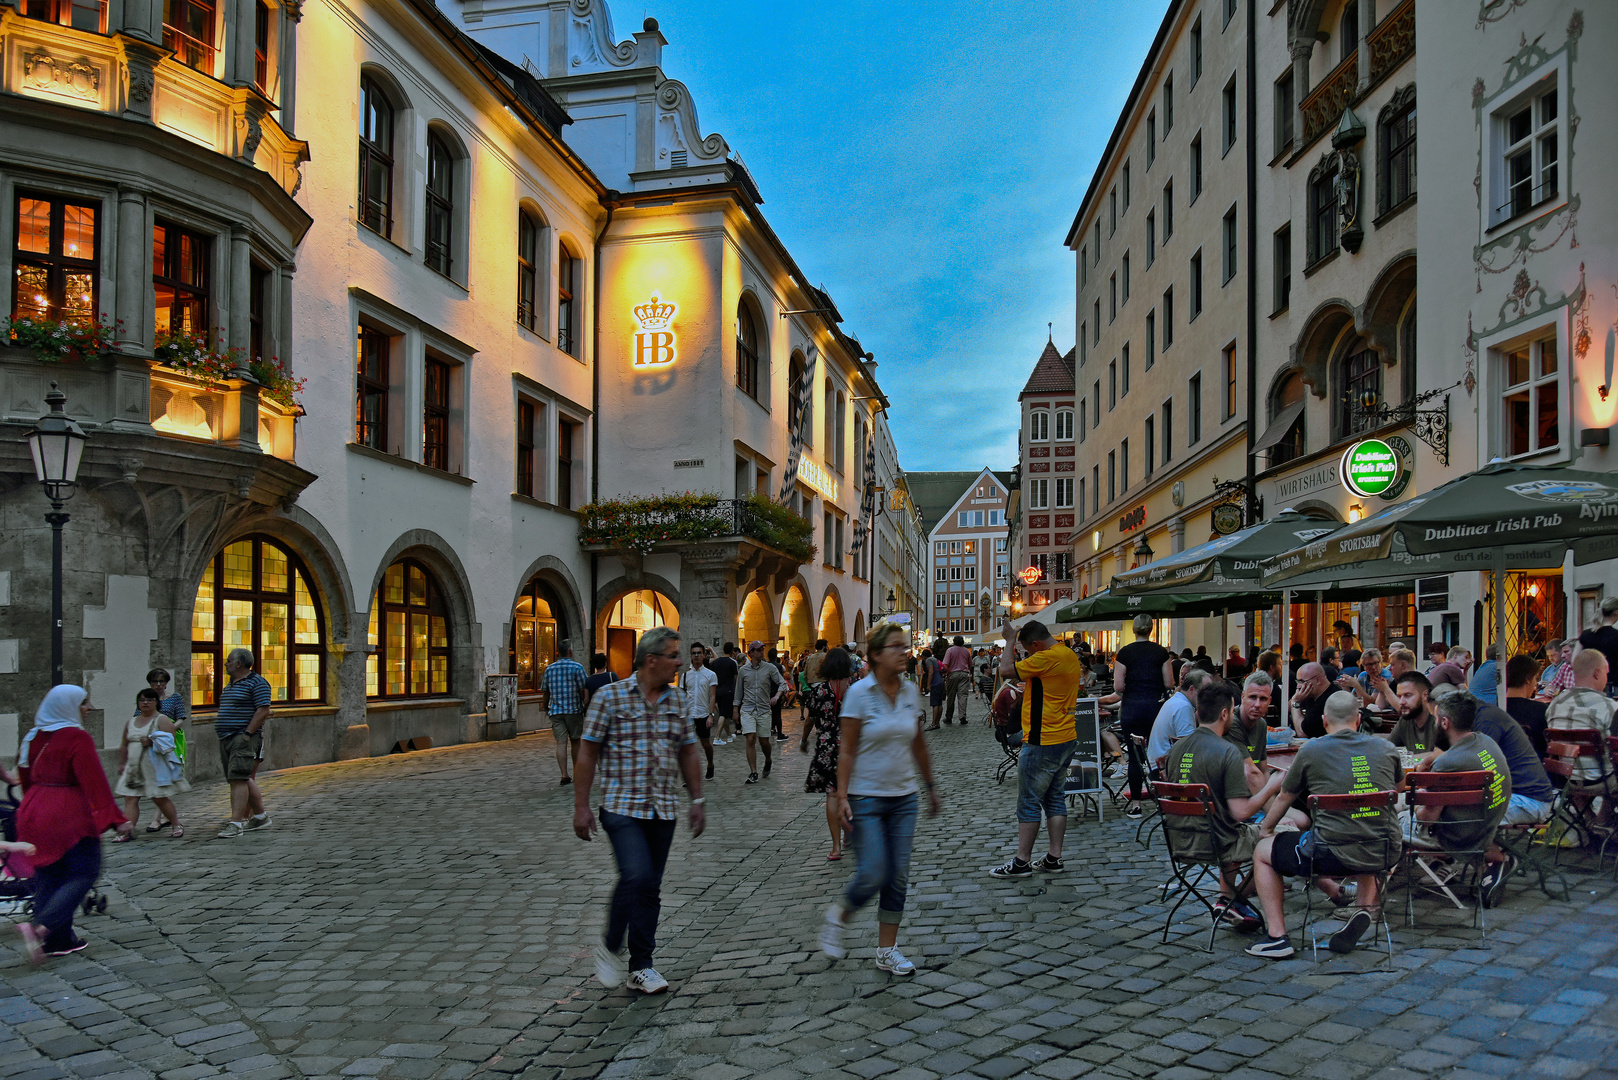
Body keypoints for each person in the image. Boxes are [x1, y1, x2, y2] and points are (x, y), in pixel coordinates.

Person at [574, 627, 704, 995]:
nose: (680, 662)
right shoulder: (610, 698)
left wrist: (697, 799)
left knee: (650, 887)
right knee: (636, 874)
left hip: (662, 807)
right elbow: (587, 752)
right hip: (621, 805)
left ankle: (641, 966)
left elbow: (688, 750)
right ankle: (612, 944)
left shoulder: (677, 700)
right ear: (651, 660)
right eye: (674, 656)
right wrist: (581, 806)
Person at [819, 622, 940, 975]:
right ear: (874, 655)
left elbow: (918, 741)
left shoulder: (908, 690)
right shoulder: (859, 694)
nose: (905, 651)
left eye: (906, 646)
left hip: (904, 798)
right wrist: (842, 797)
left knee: (897, 877)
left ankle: (887, 950)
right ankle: (838, 916)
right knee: (873, 871)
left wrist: (930, 787)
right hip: (865, 798)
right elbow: (847, 751)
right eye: (896, 647)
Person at [1248, 692, 1403, 959]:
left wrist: (1266, 830)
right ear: (1358, 720)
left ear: (1323, 720)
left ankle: (1277, 936)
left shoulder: (1311, 749)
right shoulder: (1386, 748)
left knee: (1263, 852)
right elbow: (1397, 788)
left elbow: (1286, 795)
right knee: (1366, 824)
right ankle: (1365, 907)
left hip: (1330, 855)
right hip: (1385, 851)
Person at [14, 686, 132, 962]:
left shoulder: (33, 736)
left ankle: (60, 940)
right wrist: (116, 818)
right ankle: (42, 927)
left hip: (33, 808)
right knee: (84, 871)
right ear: (68, 706)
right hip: (66, 812)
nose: (88, 708)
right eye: (83, 702)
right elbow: (94, 780)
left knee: (49, 876)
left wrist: (35, 805)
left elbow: (24, 774)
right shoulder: (77, 738)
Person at [1162, 679, 1283, 932]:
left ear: (1197, 713)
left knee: (1231, 826)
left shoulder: (1175, 750)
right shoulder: (1227, 751)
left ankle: (1228, 900)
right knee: (1281, 838)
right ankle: (1233, 899)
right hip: (1217, 843)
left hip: (1180, 839)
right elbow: (1241, 812)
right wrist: (1272, 786)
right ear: (1226, 713)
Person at [989, 619, 1087, 877]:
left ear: (1035, 644)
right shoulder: (1067, 654)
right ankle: (1054, 857)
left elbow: (1006, 670)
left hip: (1042, 738)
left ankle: (1022, 861)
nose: (1029, 656)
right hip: (1066, 735)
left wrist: (1009, 640)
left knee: (1029, 802)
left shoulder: (1045, 658)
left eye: (1028, 650)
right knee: (1055, 798)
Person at [1417, 694, 1511, 903]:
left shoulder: (1448, 764)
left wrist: (1415, 804)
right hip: (1490, 820)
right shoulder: (1486, 742)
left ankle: (1371, 895)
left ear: (1444, 722)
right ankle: (1487, 864)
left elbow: (1426, 819)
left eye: (1435, 719)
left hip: (1460, 834)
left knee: (1392, 817)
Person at [1113, 614, 1174, 811]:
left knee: (1134, 754)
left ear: (1134, 629)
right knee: (1159, 753)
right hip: (1155, 707)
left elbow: (1119, 686)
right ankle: (1164, 799)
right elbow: (1169, 683)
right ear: (1151, 630)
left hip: (1132, 707)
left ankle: (1137, 803)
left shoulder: (1124, 653)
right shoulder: (1160, 652)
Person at [801, 647, 856, 860]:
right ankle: (848, 837)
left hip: (827, 745)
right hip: (851, 744)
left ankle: (836, 847)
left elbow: (810, 719)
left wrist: (804, 740)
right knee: (850, 791)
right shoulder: (854, 688)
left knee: (832, 794)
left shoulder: (819, 690)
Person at [112, 688, 189, 839]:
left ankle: (175, 824)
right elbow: (124, 744)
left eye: (149, 700)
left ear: (156, 702)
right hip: (133, 767)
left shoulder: (162, 720)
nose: (145, 703)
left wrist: (152, 742)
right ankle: (127, 830)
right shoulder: (131, 721)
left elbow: (170, 742)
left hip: (153, 765)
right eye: (142, 700)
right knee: (130, 797)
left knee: (158, 797)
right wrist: (123, 763)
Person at [215, 648, 271, 839]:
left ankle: (236, 823)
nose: (226, 663)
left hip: (242, 737)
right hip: (227, 737)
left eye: (229, 660)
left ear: (239, 664)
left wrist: (247, 734)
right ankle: (261, 816)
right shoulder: (231, 684)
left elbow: (263, 710)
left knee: (239, 778)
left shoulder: (257, 682)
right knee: (241, 777)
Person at [1546, 649, 1616, 783]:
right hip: (1602, 780)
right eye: (1606, 674)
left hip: (1565, 779)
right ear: (1597, 674)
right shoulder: (1609, 707)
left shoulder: (1555, 704)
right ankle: (1604, 804)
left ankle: (1582, 804)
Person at [144, 668, 187, 832]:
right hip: (152, 743)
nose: (159, 684)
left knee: (165, 777)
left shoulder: (174, 698)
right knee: (157, 778)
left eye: (162, 681)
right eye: (155, 681)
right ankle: (165, 817)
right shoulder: (146, 698)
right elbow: (138, 718)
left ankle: (157, 819)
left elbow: (181, 717)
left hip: (171, 741)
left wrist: (168, 731)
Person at [737, 640, 786, 784]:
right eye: (757, 650)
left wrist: (776, 696)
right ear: (750, 653)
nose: (760, 652)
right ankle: (753, 772)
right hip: (747, 709)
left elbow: (782, 683)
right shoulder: (743, 671)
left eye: (762, 650)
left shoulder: (770, 668)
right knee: (750, 738)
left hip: (764, 710)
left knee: (764, 742)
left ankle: (768, 759)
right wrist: (735, 710)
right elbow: (738, 692)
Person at [1146, 668, 1214, 767]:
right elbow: (1189, 748)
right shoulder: (1183, 707)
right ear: (1192, 689)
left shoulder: (1175, 701)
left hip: (1157, 765)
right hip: (1164, 768)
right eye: (1205, 691)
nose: (1208, 696)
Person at [542, 641, 588, 786]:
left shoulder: (549, 669)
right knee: (576, 741)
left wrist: (545, 707)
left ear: (558, 653)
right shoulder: (577, 667)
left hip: (556, 711)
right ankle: (577, 772)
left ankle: (564, 775)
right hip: (573, 710)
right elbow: (583, 689)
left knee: (560, 743)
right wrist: (584, 704)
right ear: (570, 652)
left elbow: (545, 691)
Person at [680, 642, 718, 781]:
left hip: (703, 714)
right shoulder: (685, 676)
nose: (696, 656)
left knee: (705, 743)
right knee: (687, 746)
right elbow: (683, 695)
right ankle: (688, 774)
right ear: (690, 655)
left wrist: (711, 714)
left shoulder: (710, 675)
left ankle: (710, 764)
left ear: (703, 655)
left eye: (699, 653)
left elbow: (712, 696)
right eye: (694, 653)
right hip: (689, 714)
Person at [1503, 654, 1549, 756]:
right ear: (1528, 679)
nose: (1535, 683)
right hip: (1533, 766)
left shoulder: (1496, 709)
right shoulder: (1540, 710)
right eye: (1535, 678)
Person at [1386, 672, 1442, 754]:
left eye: (1407, 695)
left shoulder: (1438, 720)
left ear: (1425, 695)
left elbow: (1441, 756)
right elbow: (1387, 750)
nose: (1401, 702)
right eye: (1399, 696)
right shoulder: (1405, 720)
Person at [1227, 672, 1274, 768]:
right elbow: (1250, 771)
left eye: (1263, 699)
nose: (1257, 704)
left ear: (1269, 701)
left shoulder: (1262, 724)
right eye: (1253, 697)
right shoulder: (1231, 722)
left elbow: (1263, 769)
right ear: (1243, 697)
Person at [1288, 662, 1331, 739]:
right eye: (1297, 682)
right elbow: (1284, 709)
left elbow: (1303, 733)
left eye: (1302, 682)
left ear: (1318, 680)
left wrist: (1295, 703)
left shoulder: (1329, 700)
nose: (1298, 686)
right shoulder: (1310, 695)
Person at [710, 642, 740, 744]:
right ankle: (717, 737)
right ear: (732, 651)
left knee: (724, 713)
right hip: (728, 691)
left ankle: (729, 735)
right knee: (723, 714)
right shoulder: (732, 663)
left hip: (717, 691)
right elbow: (736, 678)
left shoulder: (716, 662)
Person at [941, 635, 973, 725]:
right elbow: (971, 664)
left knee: (951, 696)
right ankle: (962, 716)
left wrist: (945, 673)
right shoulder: (966, 651)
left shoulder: (950, 650)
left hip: (953, 674)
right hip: (964, 674)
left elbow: (945, 664)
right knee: (963, 696)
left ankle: (949, 717)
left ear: (954, 642)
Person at [1587, 597, 1618, 690]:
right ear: (1616, 612)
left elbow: (1575, 660)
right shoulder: (1615, 636)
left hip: (1589, 683)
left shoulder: (1586, 635)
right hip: (1613, 684)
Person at [768, 647, 789, 741]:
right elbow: (781, 680)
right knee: (777, 713)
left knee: (769, 713)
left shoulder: (765, 665)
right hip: (776, 692)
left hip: (767, 692)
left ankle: (771, 729)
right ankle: (779, 733)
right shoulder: (778, 666)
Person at [924, 639, 946, 729]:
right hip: (941, 682)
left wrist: (928, 684)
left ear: (924, 656)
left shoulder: (929, 660)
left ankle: (933, 723)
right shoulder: (936, 659)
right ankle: (937, 723)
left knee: (935, 704)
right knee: (940, 704)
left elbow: (931, 671)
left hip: (935, 683)